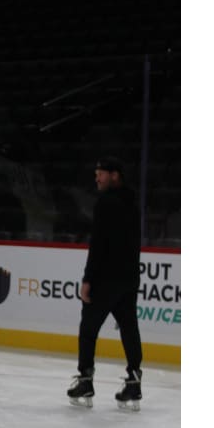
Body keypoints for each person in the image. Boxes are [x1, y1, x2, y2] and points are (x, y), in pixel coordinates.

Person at [65, 157, 144, 412]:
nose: (97, 178)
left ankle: (85, 380)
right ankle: (134, 381)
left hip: (106, 279)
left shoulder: (106, 203)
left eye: (101, 174)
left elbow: (98, 244)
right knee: (129, 328)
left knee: (88, 329)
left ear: (115, 175)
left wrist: (88, 279)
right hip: (128, 278)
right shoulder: (132, 202)